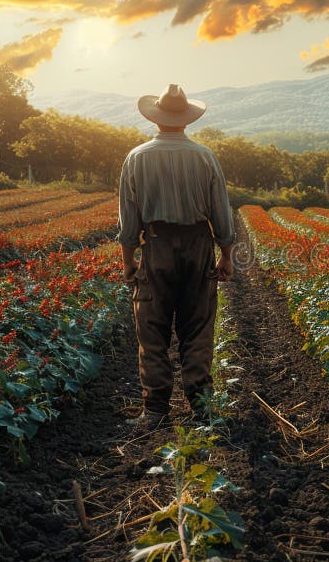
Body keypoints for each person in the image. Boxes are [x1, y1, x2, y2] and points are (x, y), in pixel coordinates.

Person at [117, 84, 235, 431]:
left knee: (152, 330)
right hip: (199, 245)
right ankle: (202, 411)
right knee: (197, 328)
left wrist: (129, 261)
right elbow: (221, 213)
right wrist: (226, 254)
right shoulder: (204, 156)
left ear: (156, 118)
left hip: (156, 244)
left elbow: (128, 217)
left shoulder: (137, 157)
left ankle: (155, 410)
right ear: (186, 119)